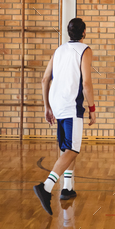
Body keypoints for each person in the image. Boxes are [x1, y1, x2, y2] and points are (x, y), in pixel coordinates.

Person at [33, 18, 96, 215]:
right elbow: (86, 83)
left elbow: (45, 79)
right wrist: (92, 108)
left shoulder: (58, 50)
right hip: (71, 106)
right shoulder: (85, 50)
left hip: (57, 104)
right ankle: (46, 187)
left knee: (68, 147)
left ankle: (67, 188)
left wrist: (46, 106)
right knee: (73, 150)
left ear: (69, 33)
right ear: (84, 32)